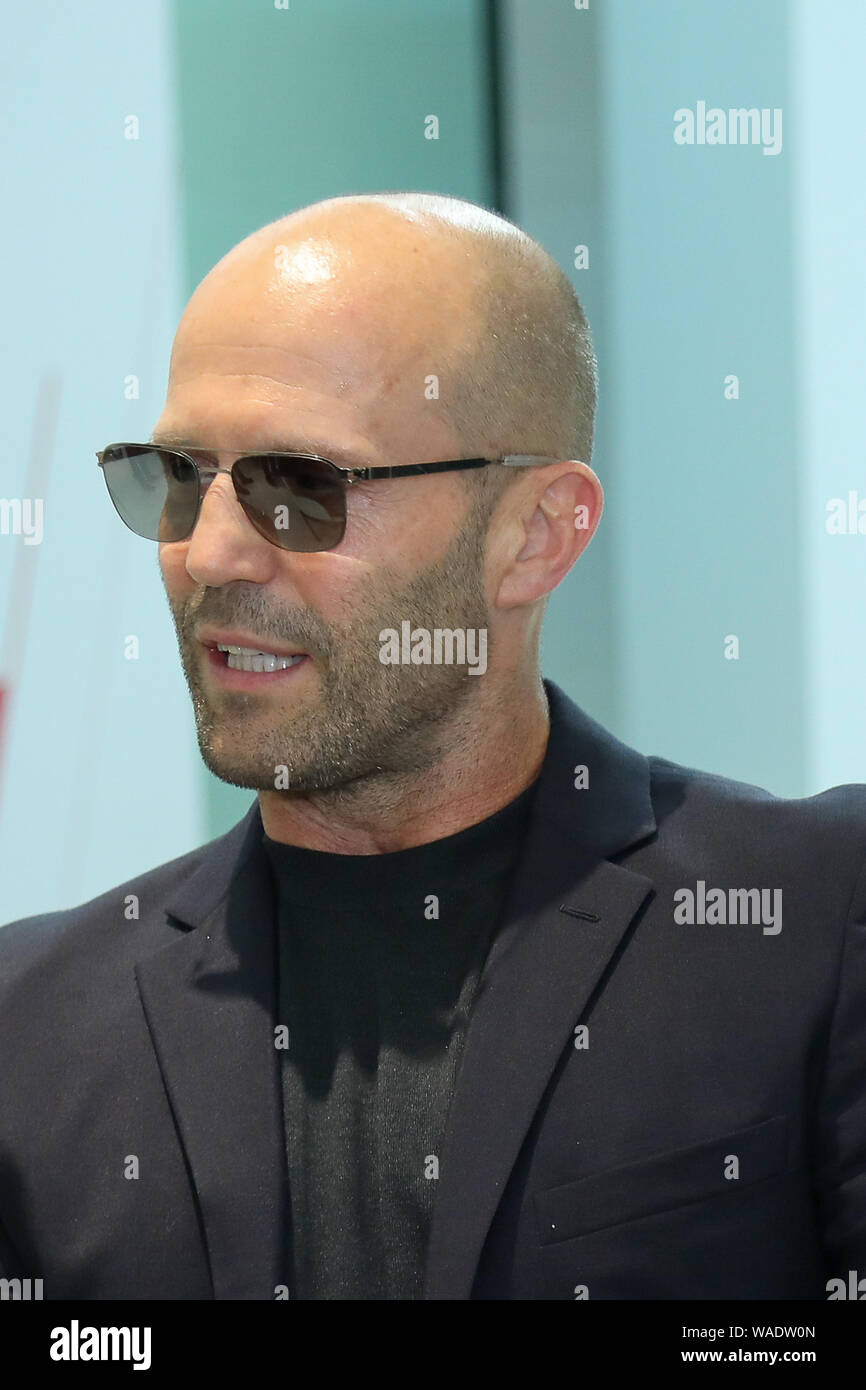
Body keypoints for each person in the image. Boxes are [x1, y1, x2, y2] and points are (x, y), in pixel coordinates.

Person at [1, 192, 864, 1301]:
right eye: (178, 476)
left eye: (297, 487)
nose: (209, 553)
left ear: (534, 536)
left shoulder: (810, 924)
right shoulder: (33, 1029)